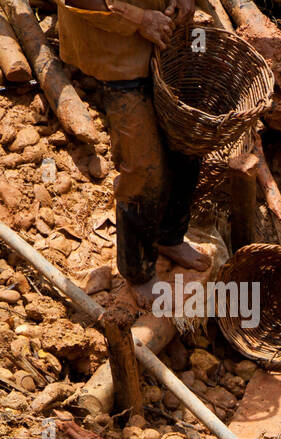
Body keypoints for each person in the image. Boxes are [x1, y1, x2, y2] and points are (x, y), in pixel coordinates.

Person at [58, 0, 211, 308]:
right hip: (117, 48)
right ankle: (137, 271)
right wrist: (138, 18)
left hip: (168, 38)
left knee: (186, 142)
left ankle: (170, 237)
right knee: (143, 166)